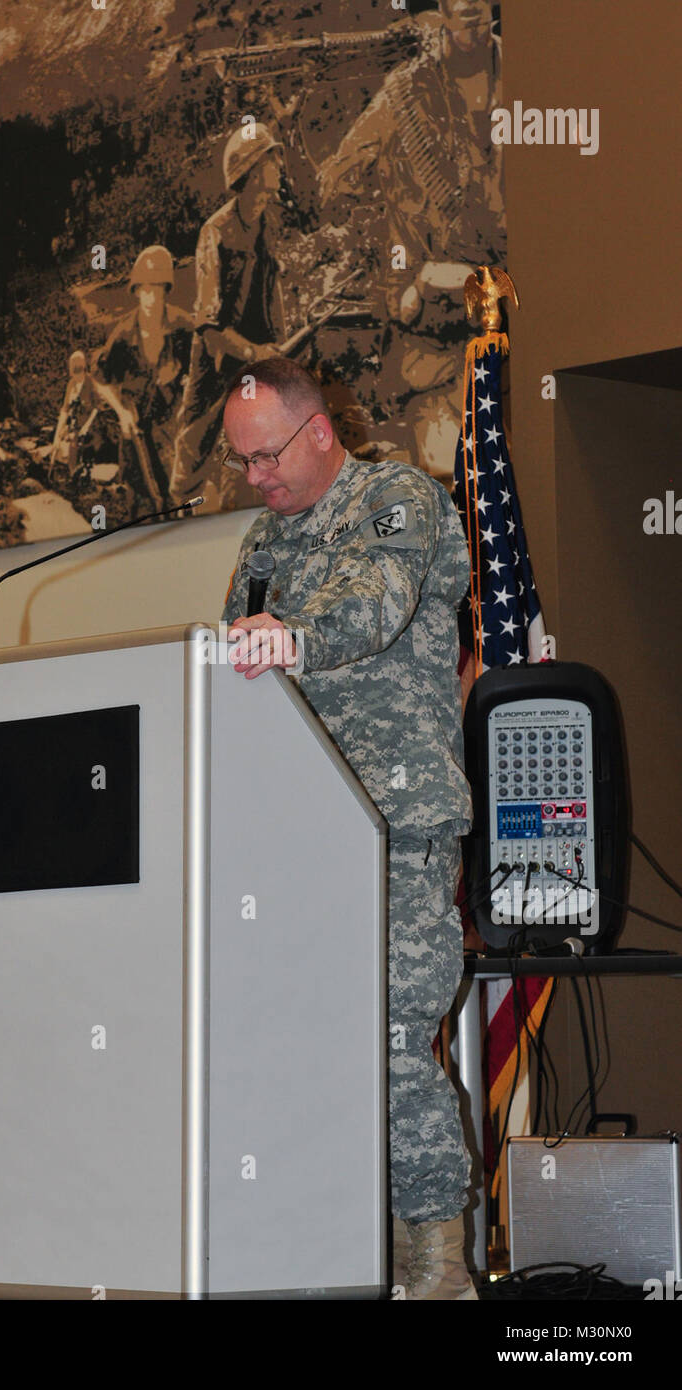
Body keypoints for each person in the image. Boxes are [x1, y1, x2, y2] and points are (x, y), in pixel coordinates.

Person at [221, 355, 477, 1301]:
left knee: (391, 1041)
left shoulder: (396, 497)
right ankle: (321, 1255)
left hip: (392, 826)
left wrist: (294, 635)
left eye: (266, 457)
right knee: (288, 1043)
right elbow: (231, 665)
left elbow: (375, 598)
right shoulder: (259, 544)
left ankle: (436, 1268)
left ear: (318, 430)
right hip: (290, 836)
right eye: (240, 462)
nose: (255, 478)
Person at [318, 0, 504, 482]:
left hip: (523, 319)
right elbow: (335, 180)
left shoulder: (529, 73)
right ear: (442, 8)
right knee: (454, 494)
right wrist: (407, 264)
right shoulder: (406, 92)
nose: (470, 8)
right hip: (438, 337)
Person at [170, 122, 287, 511]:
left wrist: (279, 347)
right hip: (217, 352)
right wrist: (253, 351)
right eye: (271, 159)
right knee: (197, 433)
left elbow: (273, 291)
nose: (279, 166)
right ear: (253, 171)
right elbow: (208, 324)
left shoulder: (270, 222)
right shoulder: (215, 231)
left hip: (258, 349)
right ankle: (178, 510)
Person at [93, 245, 194, 509]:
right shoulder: (124, 333)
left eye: (157, 290)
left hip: (170, 423)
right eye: (145, 290)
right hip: (134, 423)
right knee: (140, 498)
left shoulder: (182, 325)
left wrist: (185, 384)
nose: (151, 299)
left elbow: (202, 368)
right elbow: (100, 377)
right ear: (136, 292)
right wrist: (121, 412)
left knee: (176, 494)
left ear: (165, 291)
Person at [50, 349, 100, 484]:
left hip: (91, 425)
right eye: (74, 370)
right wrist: (57, 435)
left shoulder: (91, 382)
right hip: (75, 425)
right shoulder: (71, 384)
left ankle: (82, 475)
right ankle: (72, 475)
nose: (76, 375)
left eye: (79, 370)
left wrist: (86, 426)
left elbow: (97, 407)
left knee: (78, 442)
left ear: (83, 368)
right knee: (67, 443)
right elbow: (65, 409)